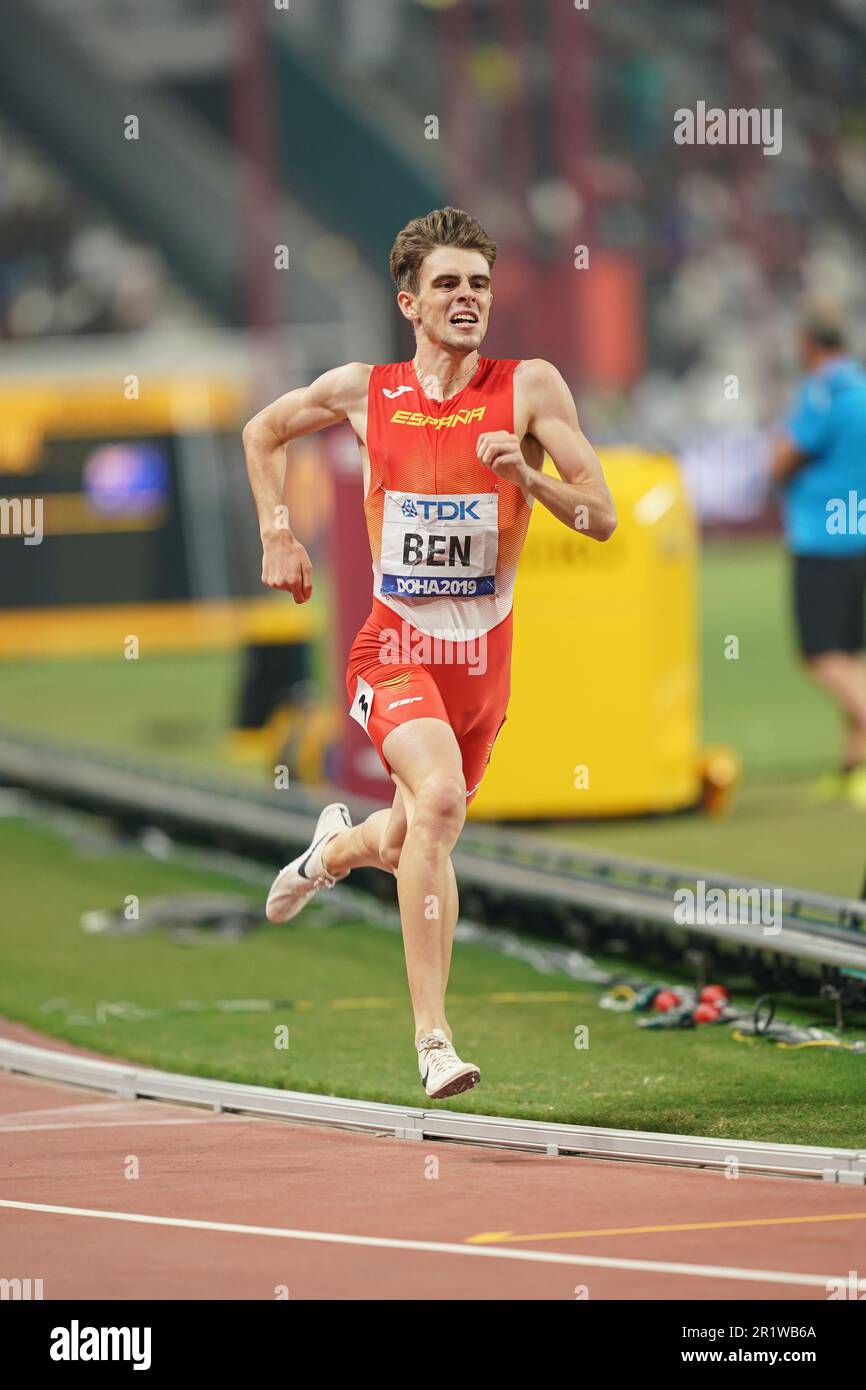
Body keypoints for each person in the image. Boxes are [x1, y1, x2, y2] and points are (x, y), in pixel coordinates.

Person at [243, 207, 616, 1098]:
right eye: (447, 284)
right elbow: (262, 432)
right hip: (393, 647)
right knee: (440, 800)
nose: (466, 299)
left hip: (484, 670)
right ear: (408, 301)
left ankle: (333, 853)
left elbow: (600, 515)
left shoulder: (528, 388)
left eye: (479, 284)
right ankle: (433, 1039)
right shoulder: (360, 392)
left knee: (417, 830)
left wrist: (527, 477)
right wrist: (278, 533)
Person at [772, 314, 866, 806]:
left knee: (821, 654)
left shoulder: (822, 391)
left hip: (822, 541)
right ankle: (854, 766)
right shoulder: (861, 387)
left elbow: (783, 461)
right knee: (850, 653)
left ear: (808, 343)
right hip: (859, 536)